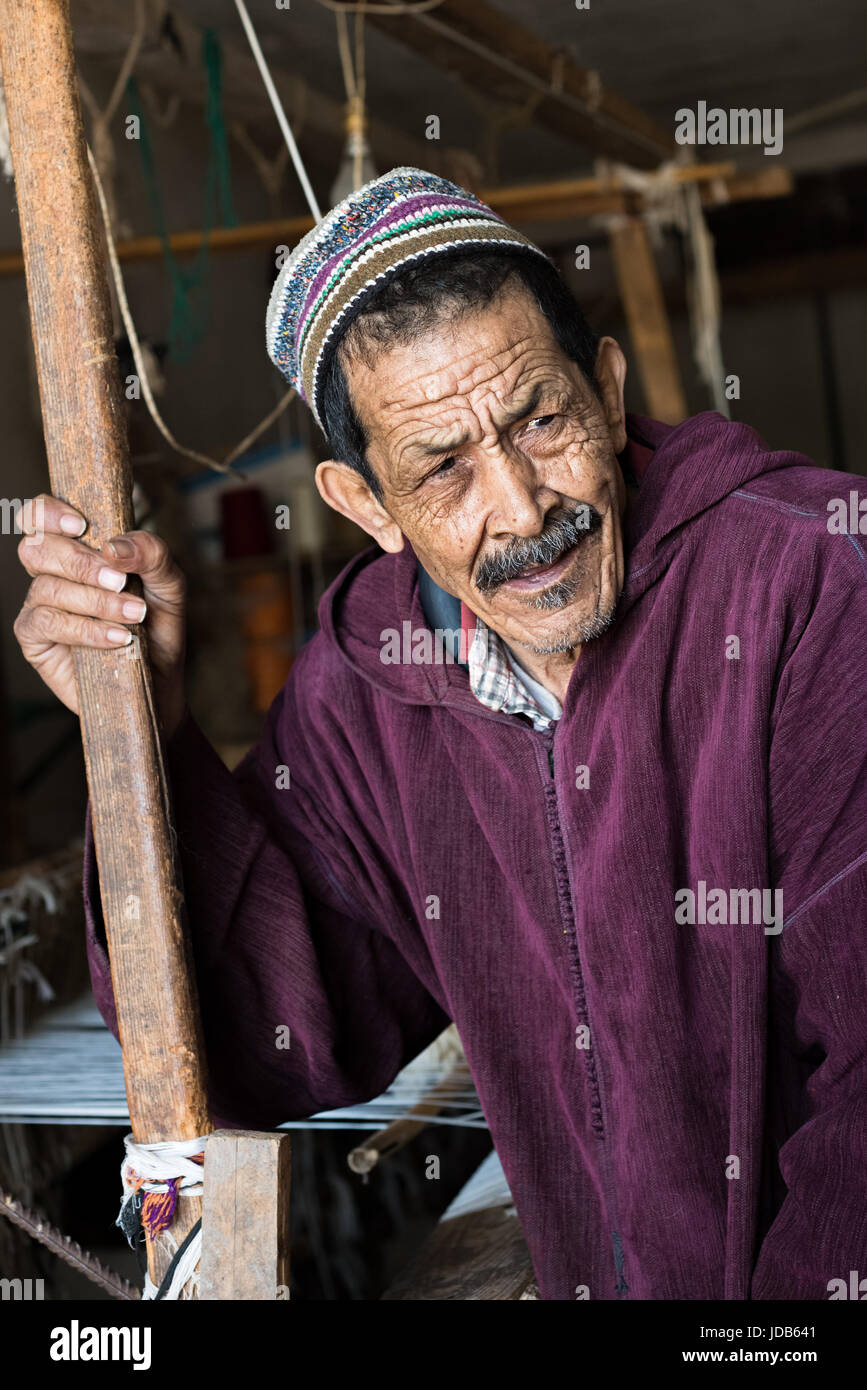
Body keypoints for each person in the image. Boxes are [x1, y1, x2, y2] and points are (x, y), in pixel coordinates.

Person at [13, 169, 867, 1300]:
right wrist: (143, 731)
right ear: (366, 507)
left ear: (608, 392)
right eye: (442, 467)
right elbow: (265, 1034)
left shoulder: (812, 584)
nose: (521, 508)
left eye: (544, 419)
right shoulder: (369, 696)